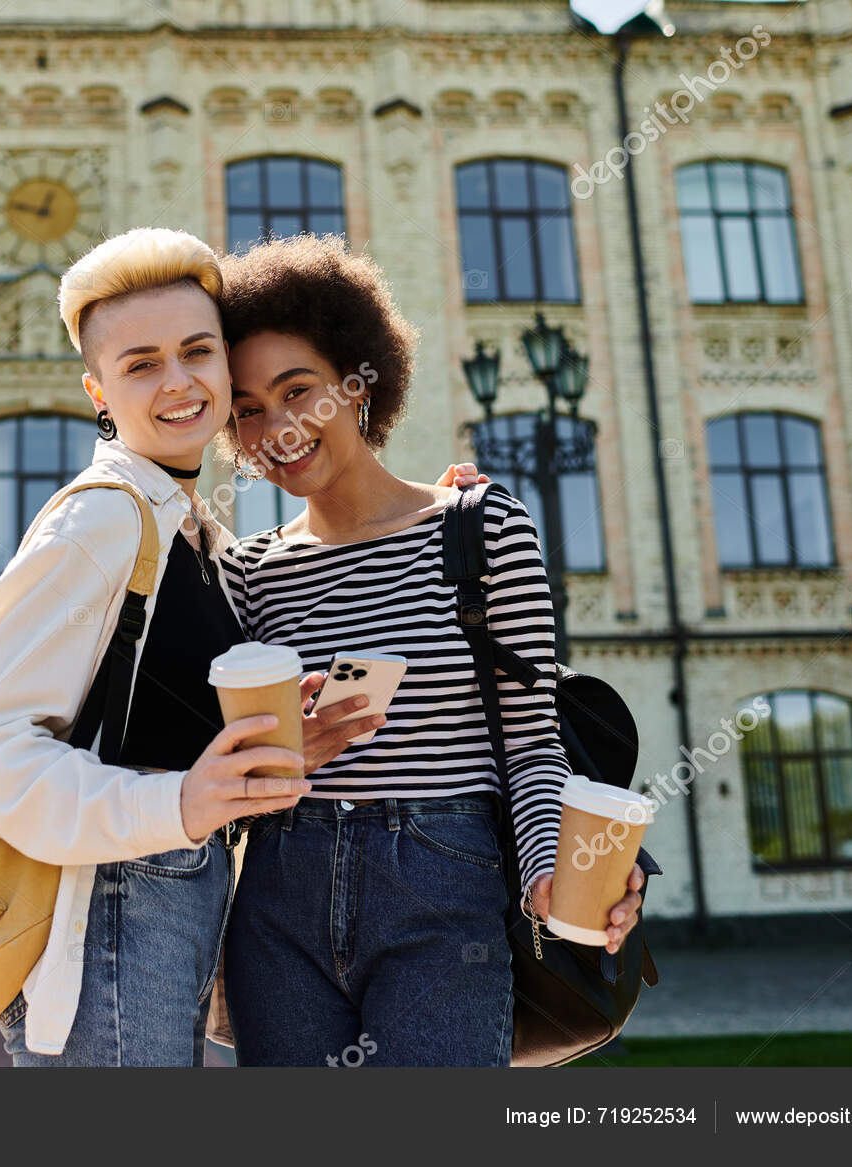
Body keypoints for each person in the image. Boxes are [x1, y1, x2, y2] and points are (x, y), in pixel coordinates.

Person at [0, 228, 381, 1066]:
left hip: (161, 914)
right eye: (141, 364)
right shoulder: (101, 518)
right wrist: (179, 806)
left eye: (196, 352)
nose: (177, 382)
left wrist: (431, 507)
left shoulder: (183, 528)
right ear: (97, 390)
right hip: (109, 918)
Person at [215, 233, 646, 1067]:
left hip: (443, 887)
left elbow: (529, 740)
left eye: (298, 388)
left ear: (357, 379)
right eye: (248, 407)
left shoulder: (484, 530)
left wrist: (553, 869)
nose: (279, 426)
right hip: (279, 895)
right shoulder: (246, 573)